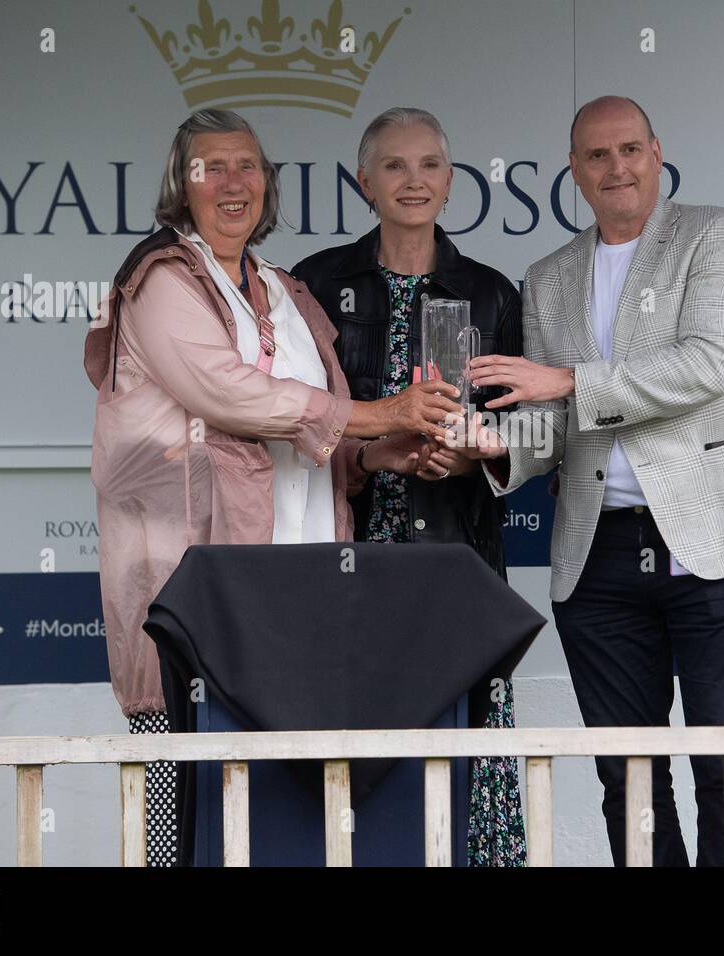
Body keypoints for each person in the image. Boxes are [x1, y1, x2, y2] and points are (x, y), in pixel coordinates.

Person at [83, 108, 459, 866]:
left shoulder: (287, 291)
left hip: (302, 603)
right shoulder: (159, 280)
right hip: (196, 600)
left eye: (248, 166)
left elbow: (304, 449)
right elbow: (231, 396)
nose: (233, 183)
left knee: (287, 818)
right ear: (180, 186)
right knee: (184, 818)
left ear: (269, 184)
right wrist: (374, 411)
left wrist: (380, 453)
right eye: (211, 168)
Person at [463, 96, 724, 866]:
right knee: (628, 774)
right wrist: (492, 444)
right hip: (598, 558)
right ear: (574, 171)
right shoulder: (548, 276)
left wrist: (566, 380)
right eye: (597, 156)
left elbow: (708, 367)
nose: (617, 167)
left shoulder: (715, 234)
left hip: (713, 546)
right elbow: (550, 423)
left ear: (657, 153)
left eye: (630, 150)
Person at [292, 107, 527, 867]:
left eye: (429, 165)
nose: (413, 180)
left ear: (452, 182)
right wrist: (367, 457)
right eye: (394, 166)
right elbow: (289, 426)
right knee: (347, 757)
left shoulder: (491, 293)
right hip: (343, 558)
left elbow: (528, 432)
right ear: (364, 180)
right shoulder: (316, 284)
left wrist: (473, 457)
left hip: (456, 559)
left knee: (460, 750)